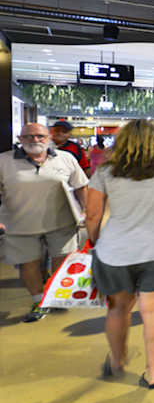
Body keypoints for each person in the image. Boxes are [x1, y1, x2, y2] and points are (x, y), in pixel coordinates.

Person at [85, 119, 154, 388]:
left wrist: (96, 241)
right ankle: (153, 372)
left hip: (115, 250)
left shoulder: (106, 171)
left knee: (117, 309)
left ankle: (117, 361)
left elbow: (92, 214)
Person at [0, 123, 89, 322]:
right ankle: (39, 300)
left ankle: (53, 290)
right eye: (29, 136)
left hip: (62, 222)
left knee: (63, 262)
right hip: (19, 224)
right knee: (28, 264)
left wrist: (86, 210)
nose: (35, 140)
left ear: (48, 137)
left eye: (40, 136)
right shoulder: (4, 161)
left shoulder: (66, 158)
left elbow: (81, 186)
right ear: (20, 139)